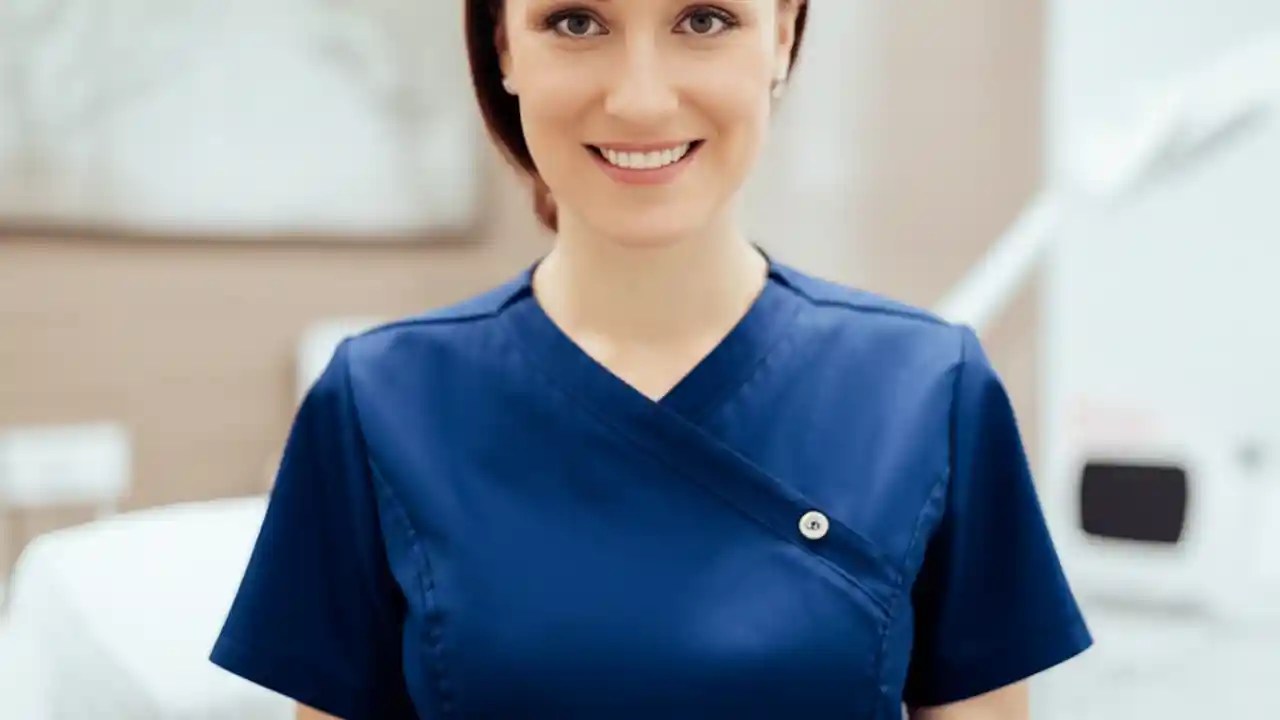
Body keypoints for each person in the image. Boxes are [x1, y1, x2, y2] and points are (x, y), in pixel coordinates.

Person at [209, 1, 1093, 718]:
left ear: (782, 35)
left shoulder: (929, 392)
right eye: (576, 22)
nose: (640, 98)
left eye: (703, 20)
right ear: (502, 45)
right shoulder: (379, 402)